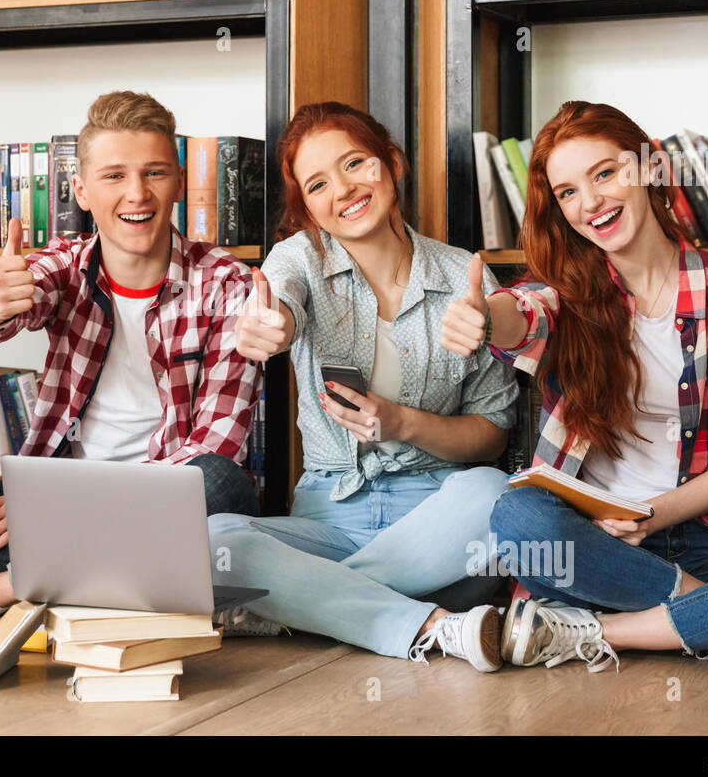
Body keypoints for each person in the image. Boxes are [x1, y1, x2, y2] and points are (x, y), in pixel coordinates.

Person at [440, 100, 708, 675]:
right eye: (567, 192)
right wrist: (486, 318)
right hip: (593, 543)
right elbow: (524, 315)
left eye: (604, 173)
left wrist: (650, 517)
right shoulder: (565, 295)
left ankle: (603, 631)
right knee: (519, 519)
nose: (589, 202)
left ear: (649, 170)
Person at [0, 91, 263, 623]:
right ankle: (130, 585)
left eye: (154, 172)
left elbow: (216, 443)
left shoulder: (226, 283)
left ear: (178, 181)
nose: (138, 193)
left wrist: (66, 515)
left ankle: (1, 590)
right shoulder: (65, 263)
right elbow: (14, 299)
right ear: (81, 192)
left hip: (158, 500)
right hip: (68, 498)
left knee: (225, 485)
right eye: (114, 176)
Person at [205, 102, 520, 668]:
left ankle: (310, 605)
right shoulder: (298, 258)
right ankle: (429, 625)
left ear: (391, 163)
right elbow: (281, 302)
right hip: (332, 516)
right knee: (216, 539)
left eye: (355, 164)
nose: (343, 189)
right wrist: (272, 325)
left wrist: (403, 423)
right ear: (307, 207)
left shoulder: (461, 277)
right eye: (318, 183)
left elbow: (492, 434)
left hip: (439, 527)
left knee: (496, 498)